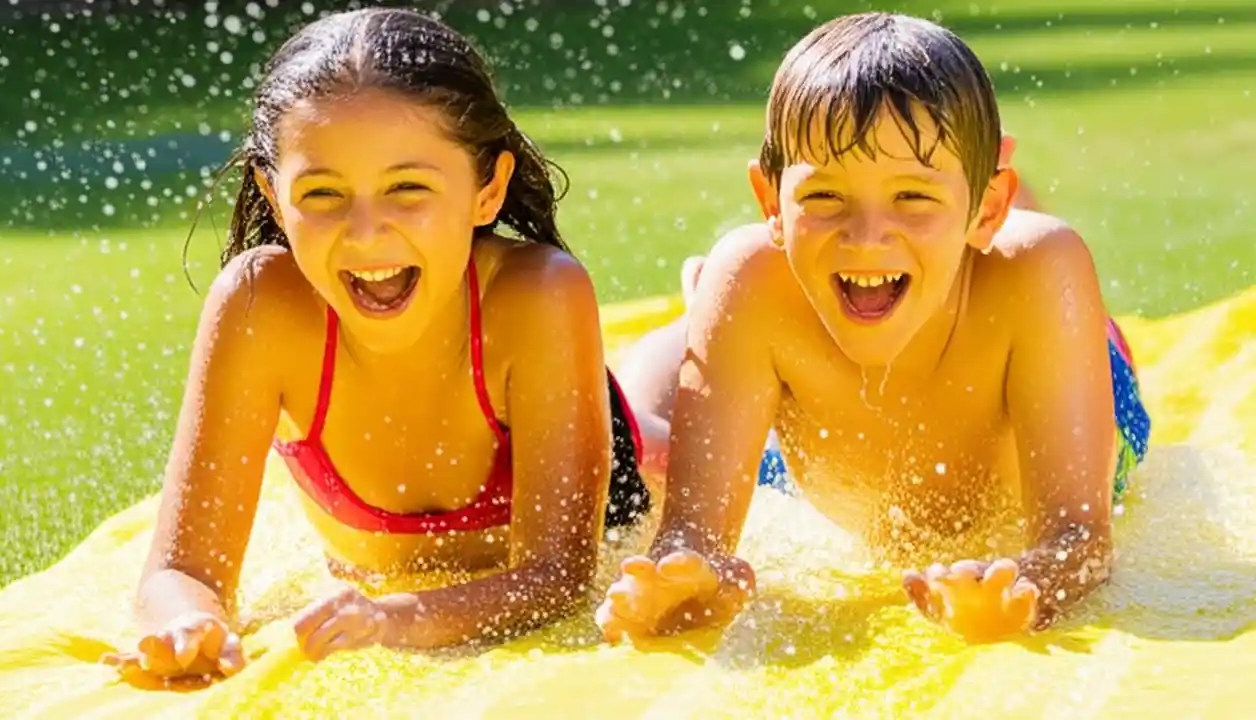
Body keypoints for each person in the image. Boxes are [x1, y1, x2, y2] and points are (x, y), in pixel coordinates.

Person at [102, 7, 651, 683]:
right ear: (275, 200)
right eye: (324, 194)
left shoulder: (536, 295)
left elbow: (557, 576)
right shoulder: (259, 307)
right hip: (384, 588)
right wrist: (187, 622)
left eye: (407, 188)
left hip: (636, 466)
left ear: (488, 189)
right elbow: (182, 569)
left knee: (667, 415)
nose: (365, 234)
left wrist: (394, 618)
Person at [598, 12, 1150, 645]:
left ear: (988, 207)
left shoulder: (1041, 272)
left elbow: (1080, 538)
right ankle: (705, 311)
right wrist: (687, 576)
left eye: (911, 198)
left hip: (1069, 363)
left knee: (1031, 255)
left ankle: (975, 205)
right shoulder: (753, 274)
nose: (865, 238)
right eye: (825, 197)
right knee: (681, 386)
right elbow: (690, 538)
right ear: (769, 201)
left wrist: (1031, 586)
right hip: (836, 439)